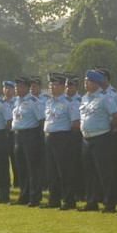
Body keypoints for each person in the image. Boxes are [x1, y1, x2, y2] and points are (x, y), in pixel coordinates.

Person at [80, 69, 117, 213]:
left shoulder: (106, 98)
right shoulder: (85, 98)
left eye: (89, 81)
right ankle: (91, 201)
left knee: (105, 172)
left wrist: (108, 128)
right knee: (89, 172)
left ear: (97, 83)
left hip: (101, 138)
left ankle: (110, 202)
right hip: (86, 138)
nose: (86, 84)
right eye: (85, 81)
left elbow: (116, 116)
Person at [43, 72, 81, 209]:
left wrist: (65, 136)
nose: (52, 87)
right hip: (49, 138)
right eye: (50, 84)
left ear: (62, 86)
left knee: (64, 171)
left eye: (55, 84)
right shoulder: (49, 102)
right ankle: (54, 200)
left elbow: (76, 123)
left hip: (63, 138)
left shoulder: (69, 103)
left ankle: (69, 200)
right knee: (51, 171)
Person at [11, 76, 46, 206]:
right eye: (16, 87)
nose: (17, 89)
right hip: (18, 135)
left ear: (27, 88)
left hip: (30, 135)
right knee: (21, 168)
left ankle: (35, 196)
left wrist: (38, 138)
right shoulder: (16, 101)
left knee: (33, 168)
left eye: (20, 86)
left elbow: (42, 120)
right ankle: (23, 195)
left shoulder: (33, 101)